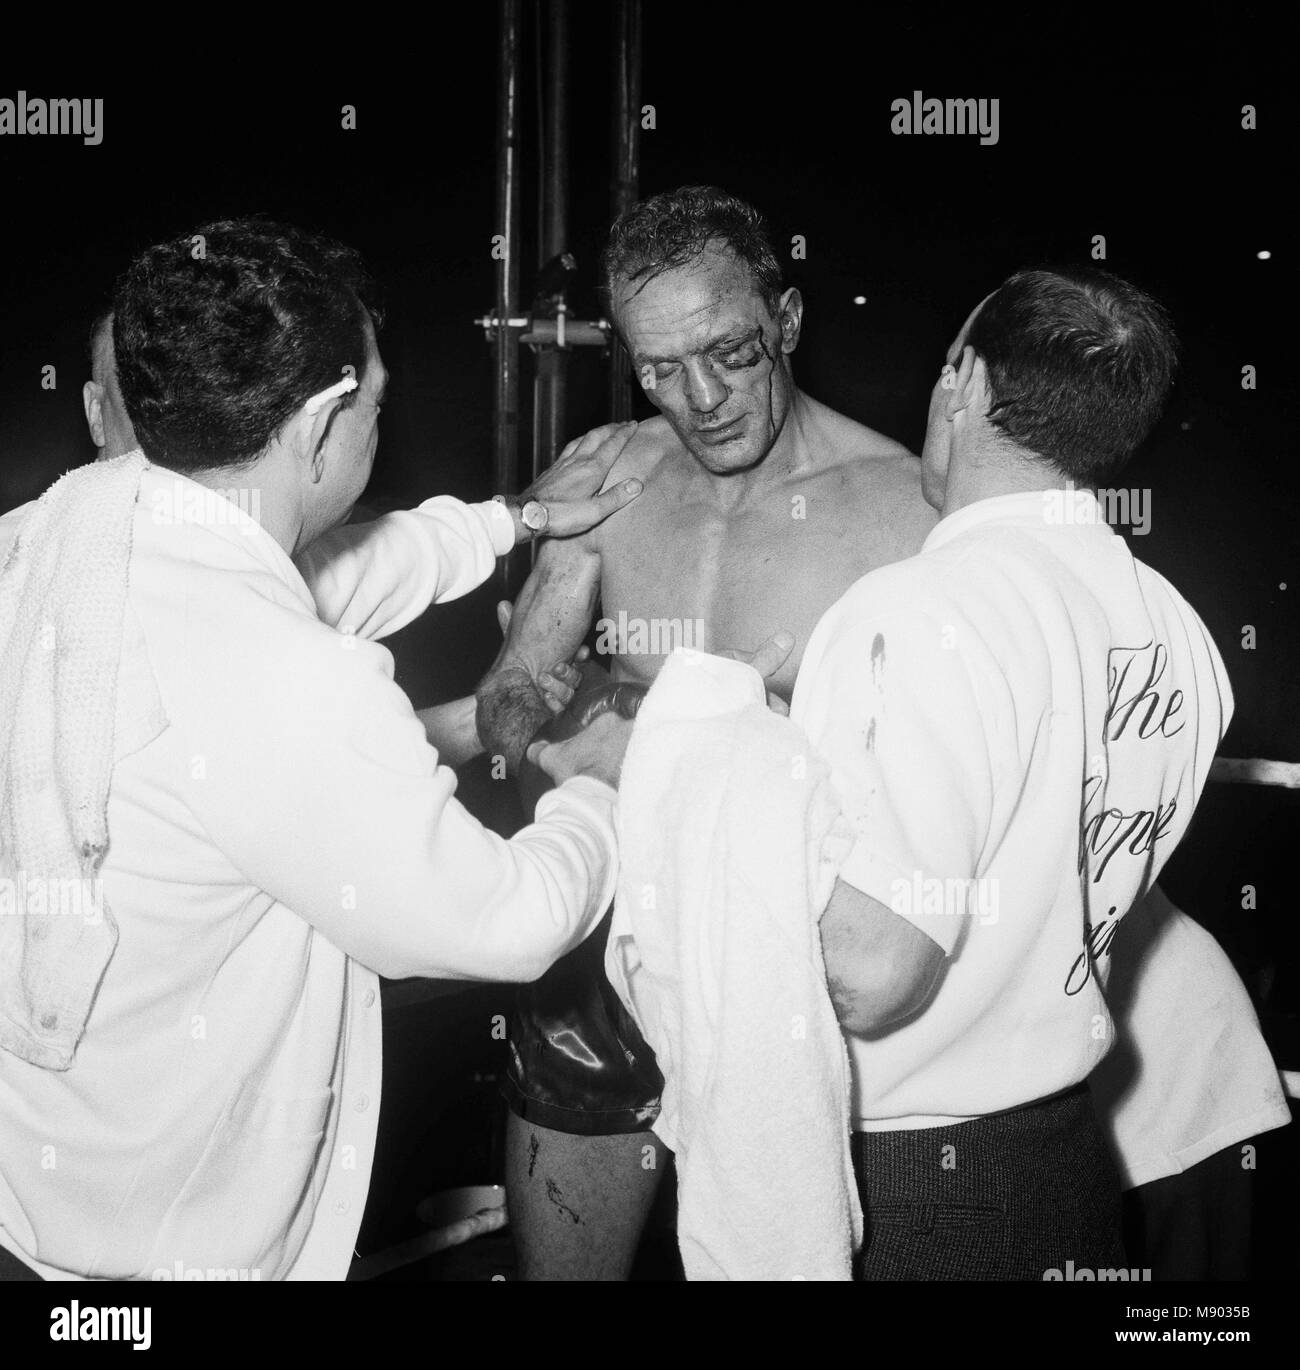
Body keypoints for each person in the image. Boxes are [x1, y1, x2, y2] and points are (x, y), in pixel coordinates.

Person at [0, 218, 641, 1281]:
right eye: (375, 407)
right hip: (152, 1253)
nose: (381, 425)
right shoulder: (285, 672)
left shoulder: (59, 531)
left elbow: (330, 570)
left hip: (36, 1178)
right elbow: (510, 921)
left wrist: (512, 519)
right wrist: (602, 793)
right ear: (320, 422)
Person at [476, 186, 936, 1278]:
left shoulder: (904, 509)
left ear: (784, 316)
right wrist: (572, 749)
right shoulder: (612, 477)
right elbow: (509, 695)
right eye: (660, 368)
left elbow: (931, 788)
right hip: (608, 949)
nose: (703, 397)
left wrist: (722, 761)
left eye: (730, 351)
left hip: (789, 957)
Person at [786, 267, 1231, 1277]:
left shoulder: (918, 605)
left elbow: (870, 974)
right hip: (1063, 1170)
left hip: (904, 1188)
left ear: (968, 384)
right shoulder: (1177, 629)